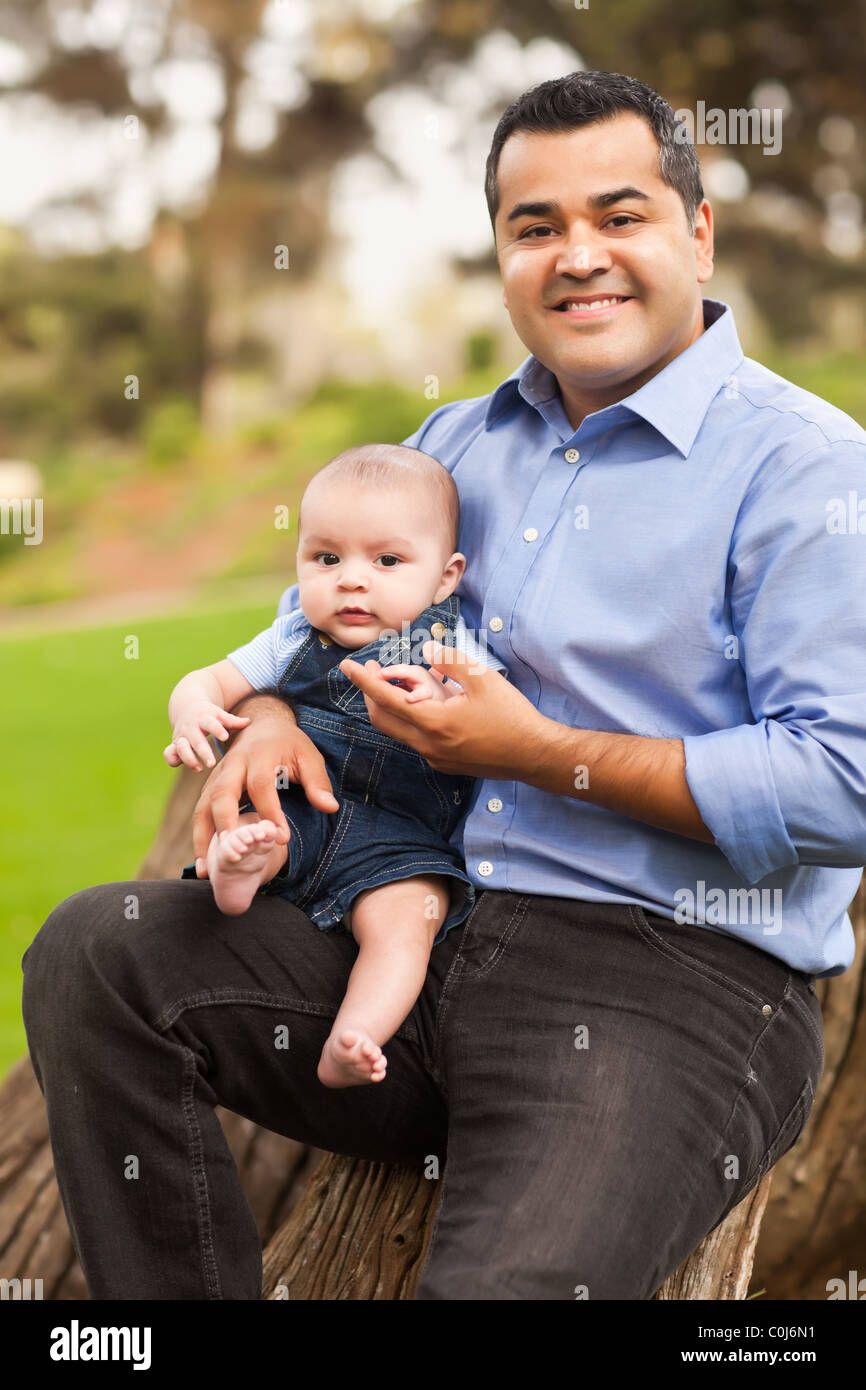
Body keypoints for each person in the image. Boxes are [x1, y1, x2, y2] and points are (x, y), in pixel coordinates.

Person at [21, 70, 865, 1301]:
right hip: (414, 932)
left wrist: (533, 749)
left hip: (671, 980)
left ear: (697, 231)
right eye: (535, 228)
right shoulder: (452, 445)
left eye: (618, 215)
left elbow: (843, 783)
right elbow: (312, 620)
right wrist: (261, 714)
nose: (577, 256)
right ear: (501, 257)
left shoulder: (804, 470)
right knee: (101, 954)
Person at [164, 444, 504, 1088]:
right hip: (296, 806)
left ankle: (353, 1038)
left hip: (397, 842)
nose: (351, 579)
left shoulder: (449, 647)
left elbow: (491, 715)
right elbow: (206, 678)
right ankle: (242, 868)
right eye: (327, 558)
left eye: (386, 560)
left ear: (445, 577)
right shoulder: (292, 636)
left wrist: (444, 700)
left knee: (407, 921)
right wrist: (193, 711)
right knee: (259, 826)